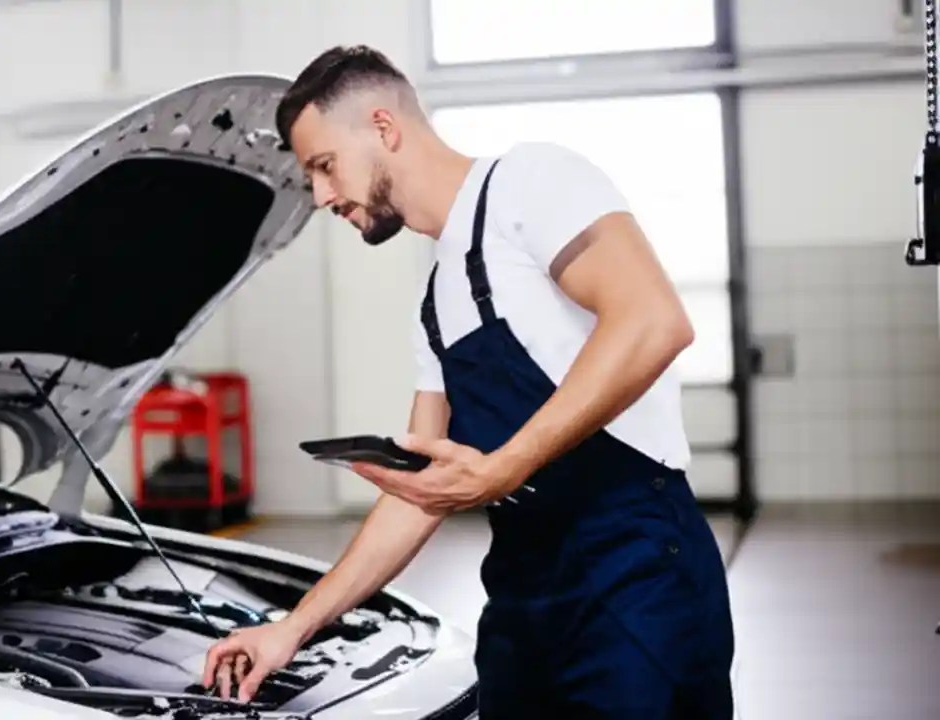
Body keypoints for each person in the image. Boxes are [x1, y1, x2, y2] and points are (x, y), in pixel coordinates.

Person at [202, 45, 735, 718]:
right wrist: (292, 628)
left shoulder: (532, 183)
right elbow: (418, 495)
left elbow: (654, 320)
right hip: (523, 601)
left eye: (324, 166)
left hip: (635, 578)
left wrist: (506, 466)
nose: (321, 197)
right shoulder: (435, 300)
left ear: (384, 128)